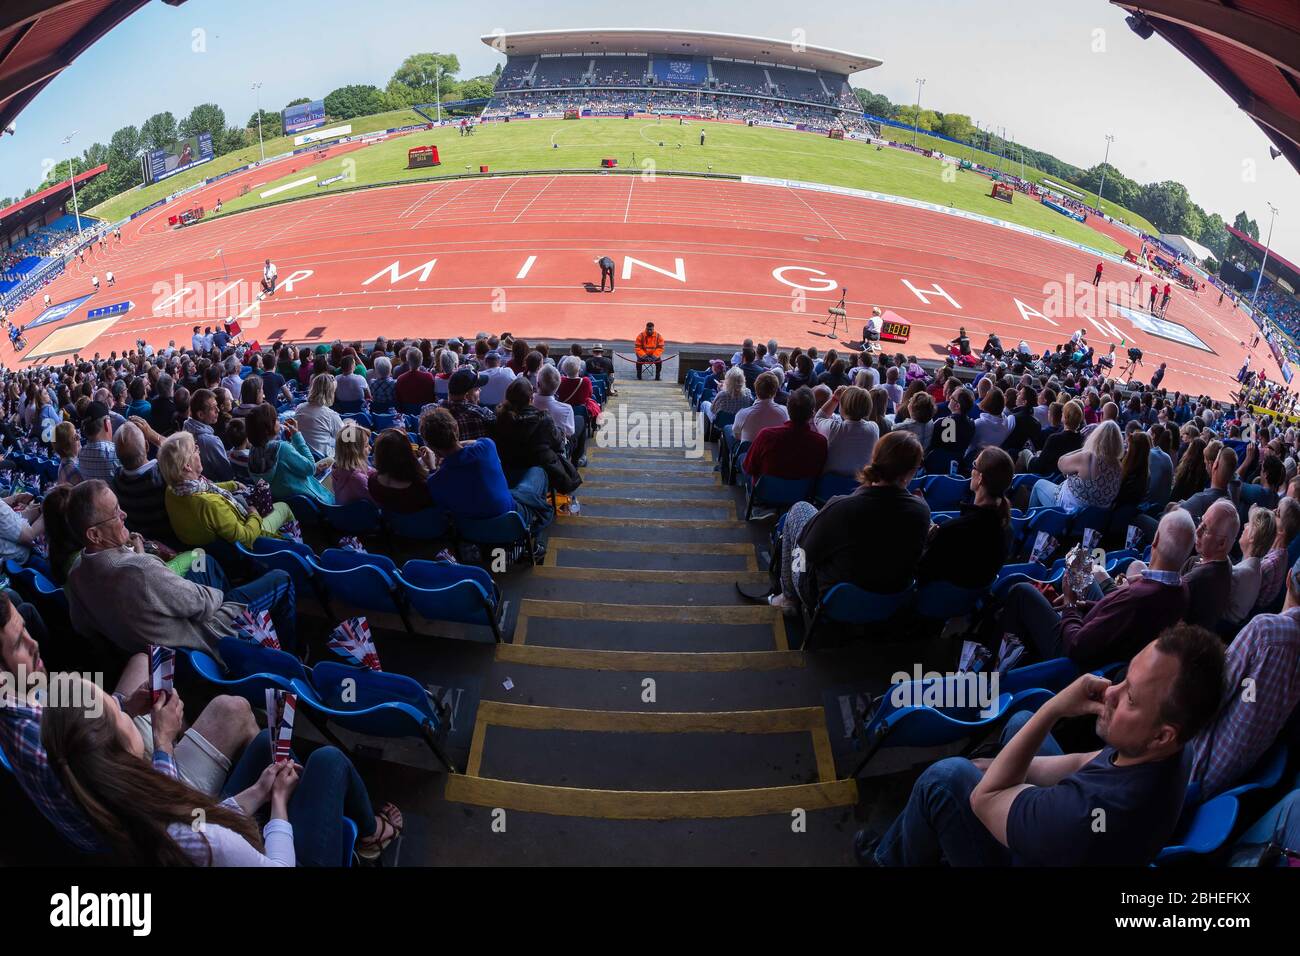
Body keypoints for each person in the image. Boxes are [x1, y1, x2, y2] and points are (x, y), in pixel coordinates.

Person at [857, 625, 1225, 866]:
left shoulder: (1087, 816)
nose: (1110, 693)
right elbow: (1086, 761)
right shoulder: (1172, 746)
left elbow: (982, 800)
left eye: (1130, 698)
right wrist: (1009, 770)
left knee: (944, 779)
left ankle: (884, 860)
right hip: (1075, 841)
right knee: (1019, 724)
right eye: (1123, 679)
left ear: (1163, 734)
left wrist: (1053, 708)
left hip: (1044, 850)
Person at [39, 677, 401, 866]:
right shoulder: (194, 837)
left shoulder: (94, 798)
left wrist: (257, 791)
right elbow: (203, 835)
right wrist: (277, 805)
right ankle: (372, 836)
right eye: (119, 713)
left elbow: (195, 819)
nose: (128, 710)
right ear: (119, 747)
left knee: (263, 744)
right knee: (328, 761)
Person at [64, 480, 298, 657]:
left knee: (203, 561)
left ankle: (247, 635)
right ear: (94, 534)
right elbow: (203, 603)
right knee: (282, 578)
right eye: (115, 513)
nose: (124, 514)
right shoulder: (140, 570)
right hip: (204, 631)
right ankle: (286, 655)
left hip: (159, 634)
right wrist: (220, 599)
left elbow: (83, 627)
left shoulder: (76, 573)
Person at [747, 431, 928, 612]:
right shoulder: (922, 511)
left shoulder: (842, 507)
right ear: (912, 471)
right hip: (891, 600)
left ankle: (788, 597)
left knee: (799, 511)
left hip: (834, 600)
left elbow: (806, 551)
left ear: (875, 459)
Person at [998, 507, 1194, 666]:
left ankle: (998, 665)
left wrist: (1070, 605)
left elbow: (1076, 646)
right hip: (1107, 638)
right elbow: (1121, 618)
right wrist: (1086, 605)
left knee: (1021, 591)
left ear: (1156, 540)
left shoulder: (1138, 597)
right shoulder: (1182, 589)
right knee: (1086, 576)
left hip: (1071, 652)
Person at [1191, 564, 1300, 799]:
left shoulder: (1265, 631)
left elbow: (1211, 696)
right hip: (1231, 777)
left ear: (1288, 577)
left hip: (1193, 768)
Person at [423, 406, 551, 534]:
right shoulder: (486, 447)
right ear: (456, 428)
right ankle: (539, 535)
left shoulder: (434, 482)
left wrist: (433, 467)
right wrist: (453, 443)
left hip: (473, 533)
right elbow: (476, 443)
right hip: (511, 523)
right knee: (538, 472)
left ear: (431, 446)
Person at [160, 431, 291, 547]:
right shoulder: (211, 505)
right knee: (284, 507)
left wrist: (233, 484)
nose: (199, 451)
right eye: (195, 449)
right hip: (253, 538)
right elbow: (245, 538)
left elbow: (208, 487)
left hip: (209, 548)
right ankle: (290, 543)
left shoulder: (172, 490)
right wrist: (254, 515)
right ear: (187, 466)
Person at [916, 446, 1014, 587]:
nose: (971, 470)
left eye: (974, 465)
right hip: (964, 606)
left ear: (980, 478)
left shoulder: (953, 530)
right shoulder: (1007, 530)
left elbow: (922, 571)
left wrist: (928, 538)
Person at [246, 403, 332, 506]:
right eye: (276, 419)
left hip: (290, 505)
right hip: (316, 500)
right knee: (332, 461)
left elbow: (284, 472)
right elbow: (310, 468)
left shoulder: (252, 454)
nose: (279, 421)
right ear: (269, 426)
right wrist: (296, 435)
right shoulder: (282, 449)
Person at [1027, 419, 1123, 511]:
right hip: (1093, 517)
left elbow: (1061, 464)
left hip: (1069, 508)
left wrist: (1088, 448)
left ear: (1097, 438)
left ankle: (1028, 523)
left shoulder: (1089, 457)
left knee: (1038, 484)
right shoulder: (1119, 466)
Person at [1182, 499, 1238, 630]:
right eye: (1201, 522)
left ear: (1222, 544)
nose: (1197, 531)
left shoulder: (1194, 580)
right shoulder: (1226, 563)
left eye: (1205, 529)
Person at [367, 428, 433, 514]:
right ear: (408, 452)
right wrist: (432, 468)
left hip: (394, 526)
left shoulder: (372, 481)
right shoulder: (423, 485)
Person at [294, 373, 345, 460]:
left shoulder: (299, 408)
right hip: (323, 458)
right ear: (330, 393)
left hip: (301, 456)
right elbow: (346, 439)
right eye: (333, 391)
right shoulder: (331, 415)